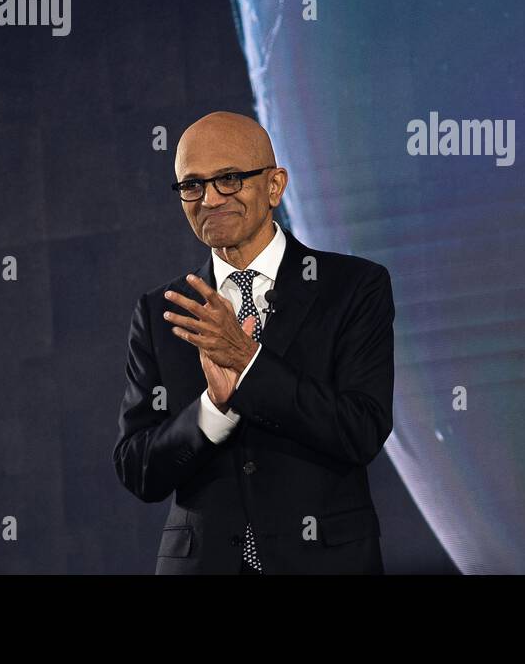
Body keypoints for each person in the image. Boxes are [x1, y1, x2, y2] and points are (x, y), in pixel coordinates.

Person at [113, 111, 394, 573]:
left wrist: (251, 365)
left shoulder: (352, 287)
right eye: (192, 185)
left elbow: (360, 430)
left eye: (228, 179)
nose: (209, 199)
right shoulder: (162, 311)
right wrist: (212, 411)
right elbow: (138, 469)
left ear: (274, 185)